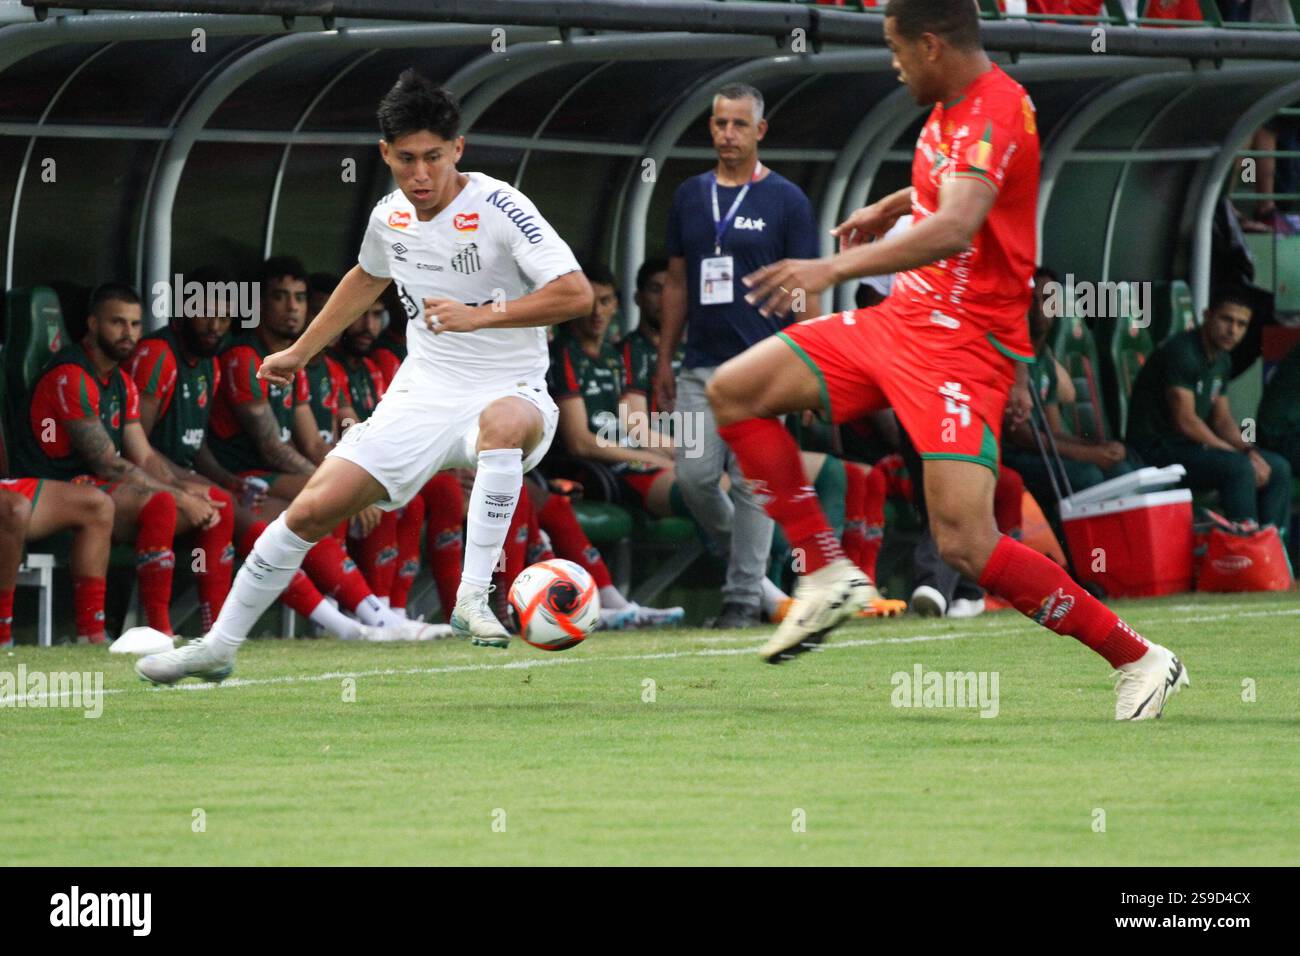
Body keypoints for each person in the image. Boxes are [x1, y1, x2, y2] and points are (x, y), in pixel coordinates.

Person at [707, 0, 1187, 720]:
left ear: (931, 45)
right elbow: (947, 185)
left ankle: (1138, 657)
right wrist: (890, 205)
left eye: (897, 50)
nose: (894, 65)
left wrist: (829, 270)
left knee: (966, 542)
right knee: (734, 390)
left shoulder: (996, 108)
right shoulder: (953, 107)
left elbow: (959, 223)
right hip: (900, 322)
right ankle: (827, 571)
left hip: (962, 350)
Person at [139, 70, 591, 683]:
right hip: (421, 396)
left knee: (502, 425)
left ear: (458, 150)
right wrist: (300, 351)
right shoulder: (390, 217)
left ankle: (471, 599)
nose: (421, 174)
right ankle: (218, 648)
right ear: (386, 155)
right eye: (406, 159)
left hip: (510, 387)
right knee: (309, 512)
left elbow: (576, 294)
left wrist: (483, 315)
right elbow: (366, 276)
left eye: (434, 157)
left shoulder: (501, 206)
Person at [128, 273, 389, 641]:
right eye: (205, 314)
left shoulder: (212, 361)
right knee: (273, 508)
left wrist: (220, 479)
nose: (215, 325)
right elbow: (139, 445)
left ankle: (371, 613)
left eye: (222, 317)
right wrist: (191, 486)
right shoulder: (208, 357)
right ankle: (196, 630)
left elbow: (197, 444)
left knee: (315, 508)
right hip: (184, 479)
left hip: (218, 479)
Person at [654, 82, 819, 629]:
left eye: (739, 125)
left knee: (753, 484)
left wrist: (811, 369)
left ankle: (743, 597)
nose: (728, 134)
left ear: (760, 131)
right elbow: (677, 283)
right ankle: (761, 579)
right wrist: (663, 359)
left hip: (765, 370)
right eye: (720, 123)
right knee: (695, 477)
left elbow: (807, 293)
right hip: (700, 366)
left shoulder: (788, 201)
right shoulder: (689, 195)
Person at [10, 282, 230, 637]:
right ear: (93, 325)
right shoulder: (71, 375)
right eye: (117, 323)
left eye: (135, 324)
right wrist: (177, 496)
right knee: (161, 504)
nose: (128, 333)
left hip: (95, 488)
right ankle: (155, 630)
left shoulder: (122, 383)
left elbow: (141, 455)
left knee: (217, 503)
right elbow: (107, 463)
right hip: (53, 487)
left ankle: (216, 629)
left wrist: (185, 489)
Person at [1126, 288, 1292, 532]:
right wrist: (1240, 457)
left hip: (1191, 449)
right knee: (1238, 468)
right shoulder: (1182, 351)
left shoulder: (1223, 359)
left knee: (1277, 467)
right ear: (1207, 315)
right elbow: (1186, 421)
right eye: (1226, 319)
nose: (1233, 330)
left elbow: (1223, 420)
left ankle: (1274, 551)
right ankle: (1244, 551)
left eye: (1241, 324)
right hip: (1155, 449)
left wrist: (1249, 450)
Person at [1003, 266, 1135, 508]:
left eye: (1048, 300)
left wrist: (1097, 447)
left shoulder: (1045, 359)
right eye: (1032, 299)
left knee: (1120, 467)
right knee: (1089, 476)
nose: (1040, 307)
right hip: (1011, 454)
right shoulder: (1009, 356)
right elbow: (1019, 435)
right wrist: (1089, 455)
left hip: (1039, 452)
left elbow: (1054, 430)